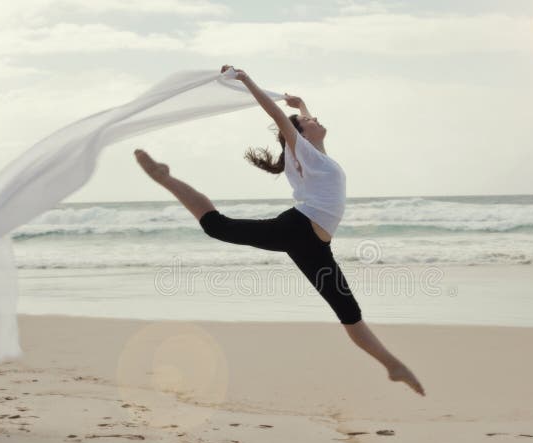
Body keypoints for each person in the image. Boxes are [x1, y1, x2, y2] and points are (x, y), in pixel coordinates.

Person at [133, 65, 425, 396]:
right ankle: (164, 177)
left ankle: (392, 366)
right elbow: (276, 114)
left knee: (349, 312)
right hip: (298, 228)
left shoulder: (313, 154)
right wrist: (246, 81)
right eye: (310, 121)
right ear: (299, 135)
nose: (316, 119)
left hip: (313, 244)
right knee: (217, 226)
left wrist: (300, 105)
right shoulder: (302, 149)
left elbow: (303, 124)